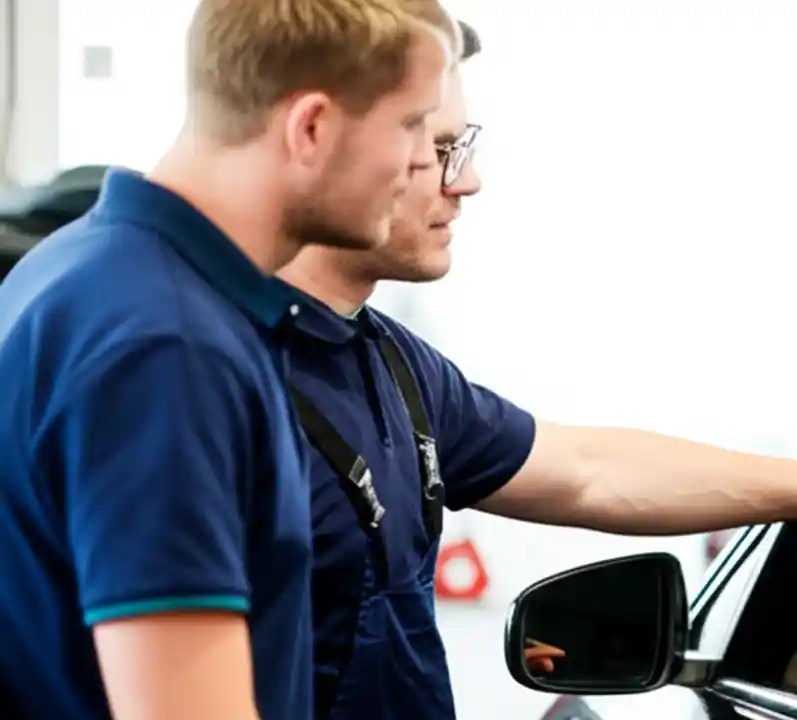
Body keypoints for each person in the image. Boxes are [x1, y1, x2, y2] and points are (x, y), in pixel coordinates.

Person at [275, 19, 797, 720]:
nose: (464, 182)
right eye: (437, 147)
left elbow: (588, 470)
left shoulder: (391, 366)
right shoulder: (220, 377)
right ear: (320, 136)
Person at [0, 2, 456, 719]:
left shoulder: (86, 265)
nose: (422, 165)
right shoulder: (167, 347)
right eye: (410, 128)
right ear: (311, 127)